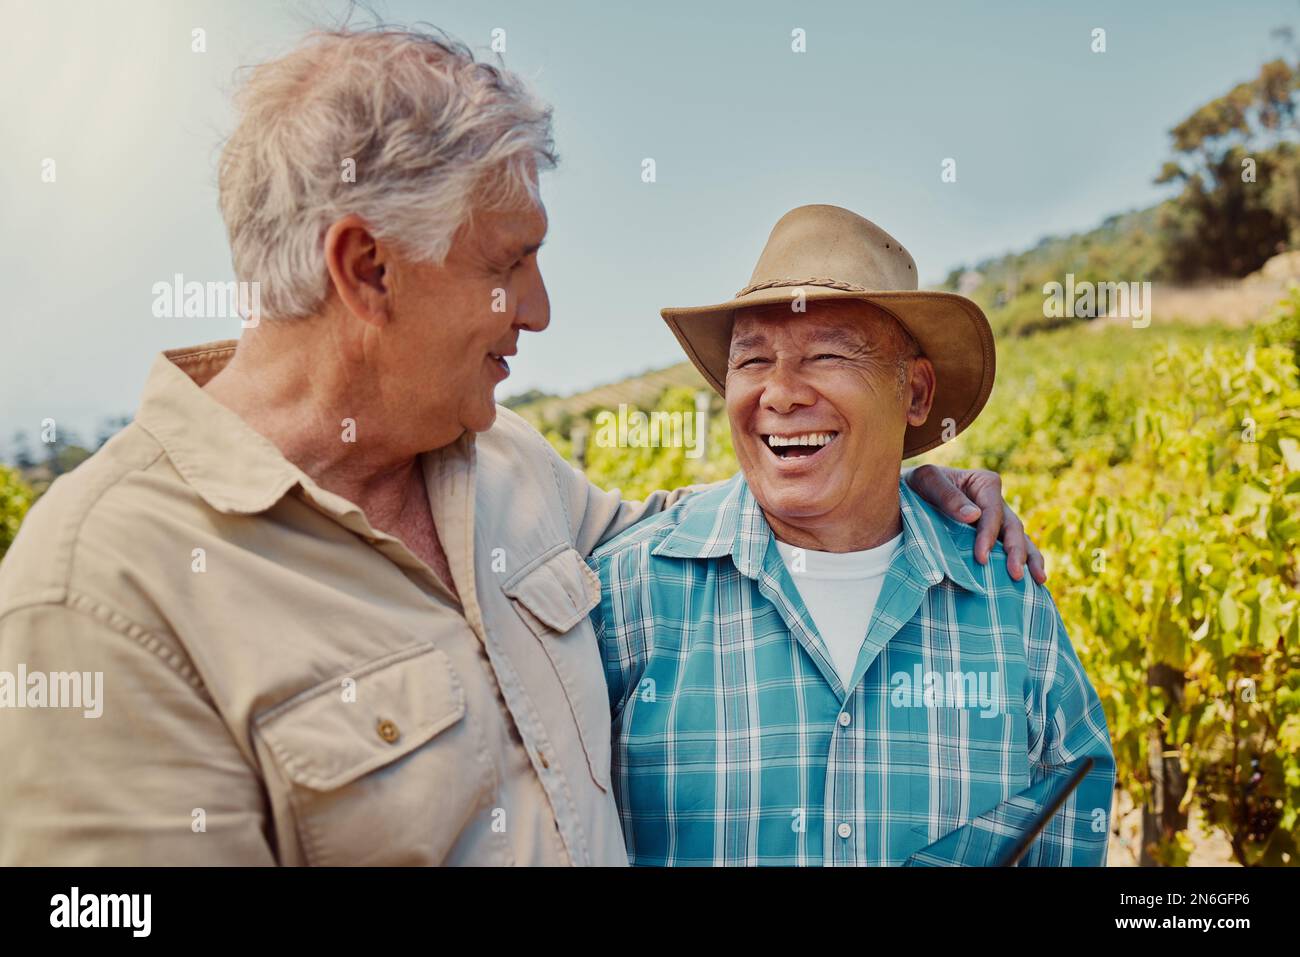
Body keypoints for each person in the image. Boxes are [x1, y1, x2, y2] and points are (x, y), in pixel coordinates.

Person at [0, 32, 1041, 866]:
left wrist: (907, 481)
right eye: (510, 263)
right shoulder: (102, 595)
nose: (537, 312)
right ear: (367, 267)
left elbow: (708, 538)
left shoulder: (508, 465)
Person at [591, 205, 1115, 865]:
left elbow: (1073, 816)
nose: (780, 394)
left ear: (916, 392)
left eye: (826, 354)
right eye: (752, 360)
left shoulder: (1008, 605)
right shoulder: (625, 595)